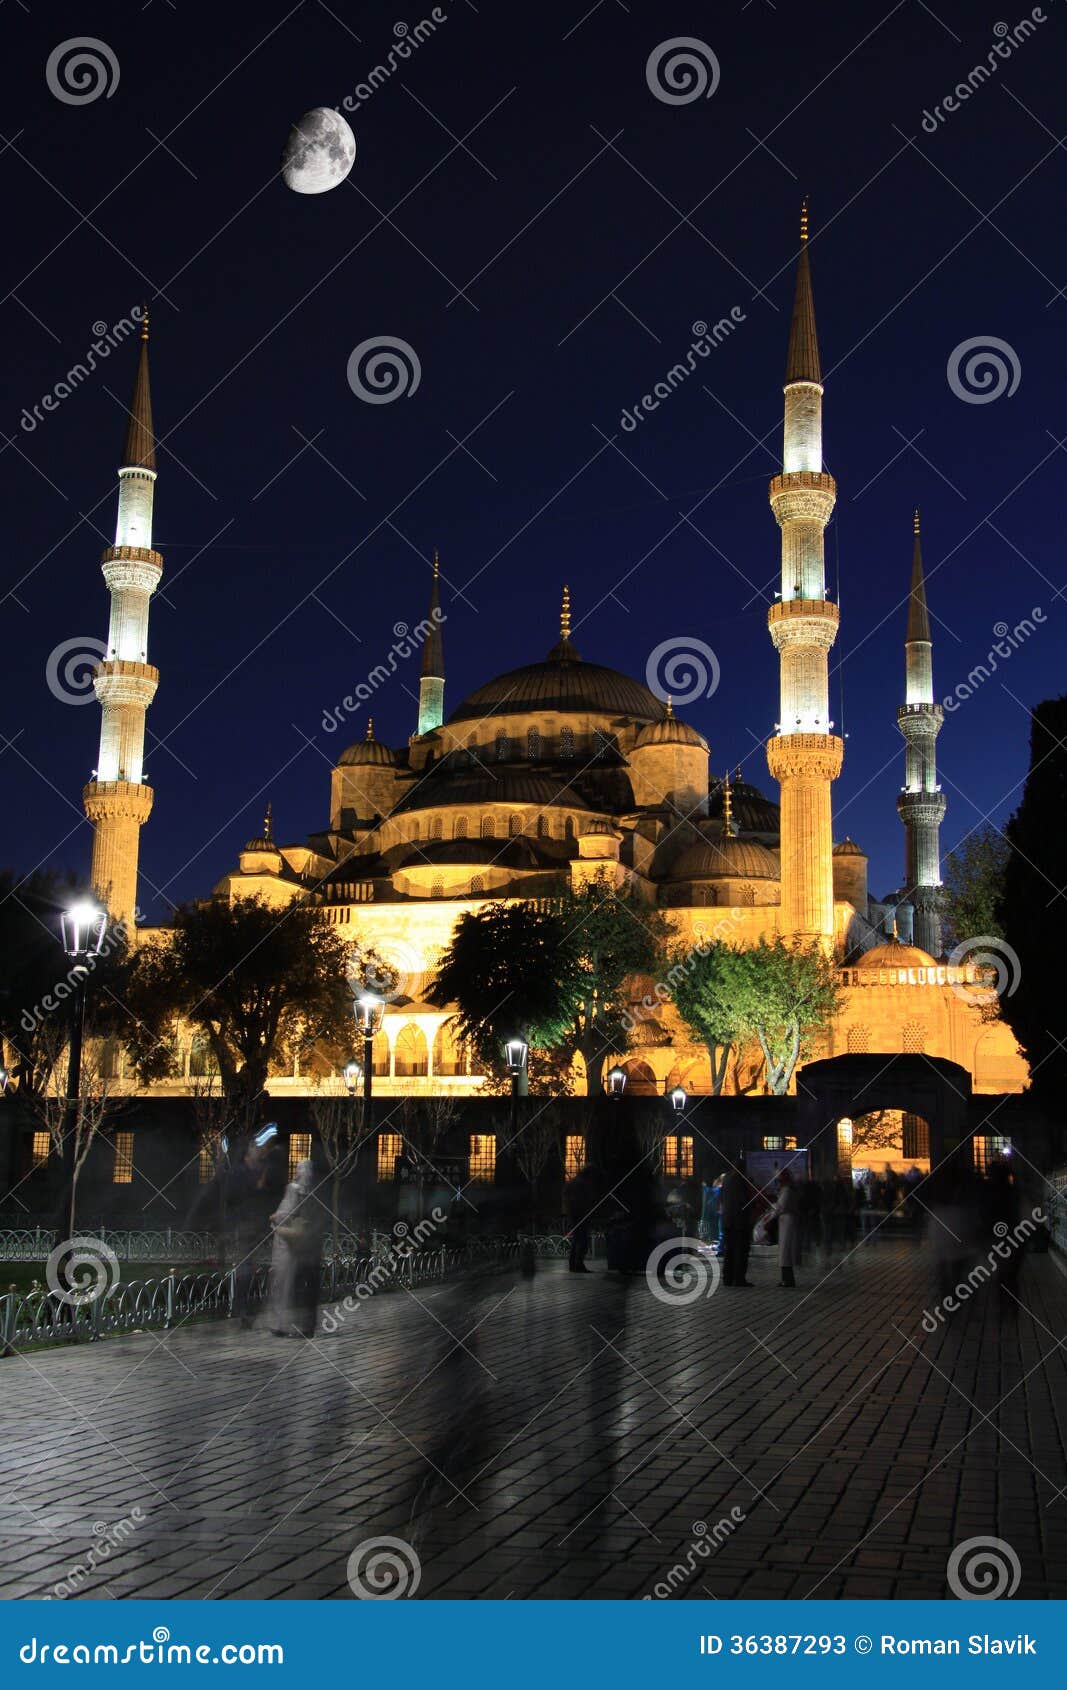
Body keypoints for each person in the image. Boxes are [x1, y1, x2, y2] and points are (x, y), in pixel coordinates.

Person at [269, 1159, 324, 1336]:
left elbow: (290, 1213)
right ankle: (293, 1324)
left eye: (303, 1169)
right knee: (288, 1284)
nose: (300, 1172)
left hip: (296, 1244)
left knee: (288, 1283)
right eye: (299, 1168)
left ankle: (291, 1324)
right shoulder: (299, 1190)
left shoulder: (299, 1191)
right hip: (296, 1244)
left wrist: (278, 1217)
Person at [719, 1161, 755, 1287]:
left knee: (729, 1250)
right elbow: (744, 1201)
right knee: (741, 1251)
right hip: (739, 1222)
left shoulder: (727, 1179)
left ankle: (727, 1278)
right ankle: (739, 1278)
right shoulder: (741, 1181)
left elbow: (722, 1198)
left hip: (728, 1221)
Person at [774, 1168, 801, 1287]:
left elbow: (781, 1206)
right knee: (785, 1252)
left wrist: (773, 1209)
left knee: (785, 1252)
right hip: (787, 1221)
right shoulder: (789, 1189)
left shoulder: (787, 1190)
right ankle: (786, 1278)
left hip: (787, 1222)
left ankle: (788, 1279)